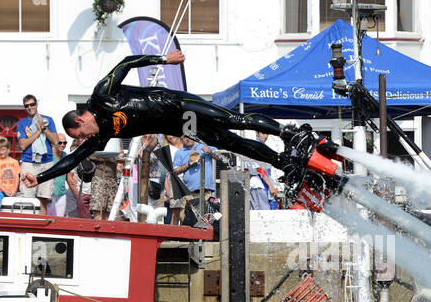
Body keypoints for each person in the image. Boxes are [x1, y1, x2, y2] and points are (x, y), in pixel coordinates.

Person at [30, 50, 291, 194]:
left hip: (175, 103)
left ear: (81, 119)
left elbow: (127, 63)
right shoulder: (100, 136)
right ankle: (282, 162)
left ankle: (286, 133)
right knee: (232, 143)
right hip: (180, 126)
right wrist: (41, 177)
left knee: (235, 120)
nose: (84, 138)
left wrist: (164, 60)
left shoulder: (101, 96)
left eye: (81, 133)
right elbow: (71, 161)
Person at [16, 94, 61, 214]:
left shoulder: (48, 120)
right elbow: (23, 145)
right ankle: (27, 226)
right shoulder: (22, 123)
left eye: (32, 104)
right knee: (27, 198)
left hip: (46, 161)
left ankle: (42, 226)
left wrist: (44, 128)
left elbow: (56, 141)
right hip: (29, 162)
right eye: (27, 106)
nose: (30, 107)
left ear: (36, 104)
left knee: (44, 197)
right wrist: (38, 131)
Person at [0, 137, 21, 209]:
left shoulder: (15, 162)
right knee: (0, 209)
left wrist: (14, 190)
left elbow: (17, 177)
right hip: (0, 191)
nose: (1, 152)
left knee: (11, 210)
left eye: (3, 150)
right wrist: (4, 190)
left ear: (8, 150)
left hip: (12, 191)